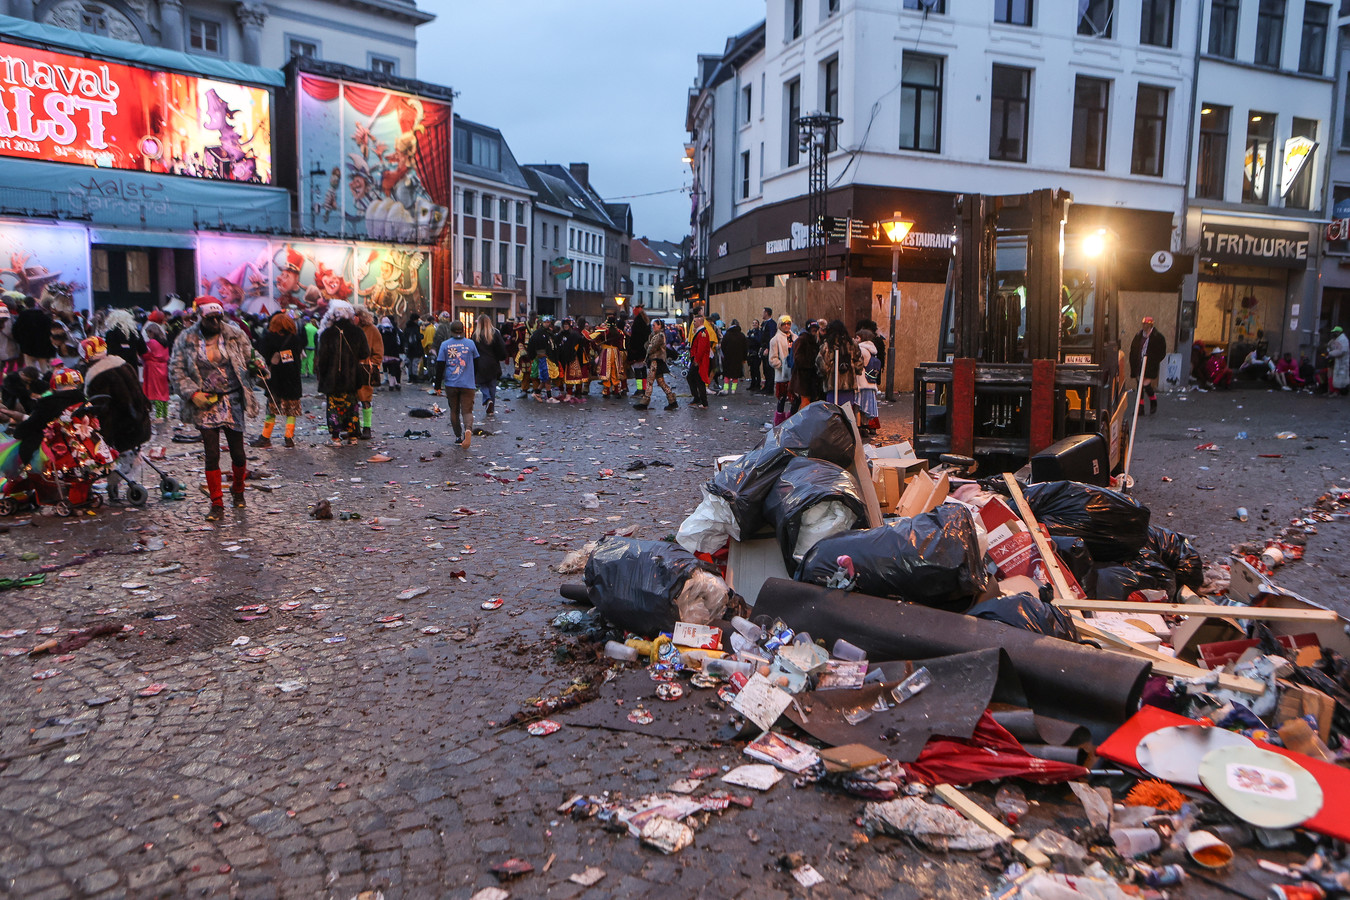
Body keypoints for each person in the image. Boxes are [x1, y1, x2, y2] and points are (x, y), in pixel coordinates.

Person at [169, 297, 268, 520]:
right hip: (206, 402)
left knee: (238, 454)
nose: (215, 322)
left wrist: (257, 365)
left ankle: (239, 490)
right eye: (209, 318)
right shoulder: (186, 338)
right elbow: (177, 370)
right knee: (212, 454)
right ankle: (216, 503)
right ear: (200, 317)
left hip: (232, 400)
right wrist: (192, 393)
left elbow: (252, 356)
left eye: (218, 317)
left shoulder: (235, 334)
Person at [80, 336, 151, 504]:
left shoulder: (97, 376)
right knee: (130, 450)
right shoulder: (123, 365)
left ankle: (113, 483)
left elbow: (102, 407)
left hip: (120, 429)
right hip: (140, 422)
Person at [315, 300, 369, 446]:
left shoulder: (327, 333)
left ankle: (336, 437)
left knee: (333, 407)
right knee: (352, 406)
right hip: (351, 377)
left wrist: (322, 375)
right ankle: (353, 436)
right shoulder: (358, 332)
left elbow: (322, 358)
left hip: (331, 378)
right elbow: (365, 353)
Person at [253, 311, 307, 448]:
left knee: (272, 409)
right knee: (292, 409)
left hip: (275, 378)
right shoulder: (295, 339)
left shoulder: (269, 338)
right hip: (292, 378)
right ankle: (289, 438)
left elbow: (262, 354)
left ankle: (265, 437)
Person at [434, 319, 479, 448]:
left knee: (454, 410)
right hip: (468, 383)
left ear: (451, 331)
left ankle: (458, 436)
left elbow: (440, 366)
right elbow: (477, 362)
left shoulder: (445, 345)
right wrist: (473, 377)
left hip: (451, 384)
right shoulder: (470, 344)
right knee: (467, 411)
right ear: (463, 330)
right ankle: (468, 429)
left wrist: (437, 385)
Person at [634, 318, 679, 411]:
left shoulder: (659, 336)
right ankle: (672, 401)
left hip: (656, 361)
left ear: (659, 326)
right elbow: (647, 345)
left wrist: (649, 346)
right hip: (656, 361)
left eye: (654, 325)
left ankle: (644, 402)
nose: (653, 327)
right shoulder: (654, 335)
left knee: (650, 381)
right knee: (661, 382)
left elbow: (651, 347)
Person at [817, 319, 863, 407]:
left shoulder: (828, 345)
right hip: (849, 386)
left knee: (833, 413)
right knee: (848, 413)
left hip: (832, 386)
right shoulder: (852, 344)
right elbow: (859, 363)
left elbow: (822, 366)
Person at [1128, 315, 1167, 415]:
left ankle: (1153, 401)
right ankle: (1140, 408)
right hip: (1138, 363)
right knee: (1139, 386)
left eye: (1146, 324)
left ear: (1150, 325)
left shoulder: (1157, 337)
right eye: (1143, 324)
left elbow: (1161, 352)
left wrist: (1154, 361)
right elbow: (1133, 349)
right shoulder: (1139, 335)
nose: (1144, 326)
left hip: (1150, 365)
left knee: (1145, 384)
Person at [354, 306, 383, 438]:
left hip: (365, 369)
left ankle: (367, 427)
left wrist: (373, 364)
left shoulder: (372, 330)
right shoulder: (349, 329)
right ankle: (354, 427)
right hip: (350, 369)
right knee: (352, 399)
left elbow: (378, 351)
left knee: (365, 398)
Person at [472, 314, 507, 416]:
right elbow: (501, 348)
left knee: (482, 384)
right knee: (492, 385)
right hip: (492, 362)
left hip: (480, 363)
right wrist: (502, 357)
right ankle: (491, 406)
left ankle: (487, 399)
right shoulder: (495, 333)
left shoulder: (476, 335)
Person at [141, 322, 171, 424]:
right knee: (163, 391)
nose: (148, 336)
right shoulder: (164, 342)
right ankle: (165, 414)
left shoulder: (152, 343)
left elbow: (145, 354)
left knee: (156, 392)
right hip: (163, 368)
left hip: (153, 369)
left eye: (148, 333)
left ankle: (158, 416)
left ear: (152, 332)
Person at [789, 320, 822, 412]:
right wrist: (812, 363)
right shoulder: (802, 340)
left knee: (803, 402)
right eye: (813, 329)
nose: (815, 331)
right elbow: (798, 359)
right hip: (803, 378)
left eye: (816, 329)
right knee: (804, 403)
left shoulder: (814, 340)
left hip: (808, 378)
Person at [101, 309, 146, 375]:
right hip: (132, 366)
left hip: (115, 366)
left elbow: (109, 351)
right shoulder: (135, 333)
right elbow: (143, 350)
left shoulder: (110, 333)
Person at [555, 318, 590, 404]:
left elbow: (580, 347)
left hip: (573, 359)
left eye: (567, 324)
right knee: (562, 377)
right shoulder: (559, 335)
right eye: (564, 325)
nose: (566, 326)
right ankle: (565, 392)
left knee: (574, 377)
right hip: (562, 359)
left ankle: (576, 392)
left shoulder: (575, 335)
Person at [769, 315, 795, 424]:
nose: (787, 326)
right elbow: (772, 359)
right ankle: (779, 420)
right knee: (782, 399)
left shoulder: (795, 338)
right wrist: (783, 365)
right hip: (782, 375)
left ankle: (792, 419)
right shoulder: (775, 340)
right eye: (784, 324)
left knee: (795, 399)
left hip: (794, 374)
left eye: (788, 324)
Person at [855, 328, 881, 435]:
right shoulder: (872, 350)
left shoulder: (861, 349)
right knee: (867, 406)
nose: (855, 339)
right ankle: (866, 426)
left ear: (861, 338)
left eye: (857, 337)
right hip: (871, 383)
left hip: (861, 382)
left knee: (858, 406)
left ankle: (859, 427)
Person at [686, 314, 712, 408]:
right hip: (697, 359)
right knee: (697, 379)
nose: (694, 323)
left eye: (695, 321)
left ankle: (701, 400)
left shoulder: (702, 333)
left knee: (696, 379)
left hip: (699, 361)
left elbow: (701, 348)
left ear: (700, 321)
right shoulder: (700, 332)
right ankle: (700, 399)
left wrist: (696, 360)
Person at [597, 317, 627, 398]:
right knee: (615, 370)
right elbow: (621, 344)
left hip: (606, 351)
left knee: (606, 370)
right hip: (616, 352)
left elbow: (596, 339)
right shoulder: (619, 332)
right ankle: (616, 389)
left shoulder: (604, 331)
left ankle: (606, 390)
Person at [627, 304, 651, 395]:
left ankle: (639, 388)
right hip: (644, 349)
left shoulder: (637, 322)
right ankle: (644, 388)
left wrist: (632, 348)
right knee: (643, 370)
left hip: (637, 350)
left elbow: (635, 337)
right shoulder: (646, 321)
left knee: (637, 371)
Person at [720, 320, 747, 394]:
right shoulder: (741, 335)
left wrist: (725, 354)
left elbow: (723, 346)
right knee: (736, 374)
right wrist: (744, 358)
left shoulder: (727, 335)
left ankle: (726, 388)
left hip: (728, 357)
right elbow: (745, 348)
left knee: (727, 373)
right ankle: (733, 389)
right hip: (738, 357)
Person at [378, 316, 403, 390]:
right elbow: (399, 341)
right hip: (394, 353)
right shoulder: (394, 330)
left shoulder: (380, 330)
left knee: (388, 368)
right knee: (394, 368)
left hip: (384, 353)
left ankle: (392, 383)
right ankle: (393, 384)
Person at [403, 314, 425, 383]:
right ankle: (414, 377)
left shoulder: (407, 328)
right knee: (415, 363)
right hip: (416, 348)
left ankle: (410, 377)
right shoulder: (416, 328)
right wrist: (421, 336)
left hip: (409, 349)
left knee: (410, 363)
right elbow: (418, 337)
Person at [1328, 326, 1350, 396]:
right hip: (1336, 361)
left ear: (1339, 332)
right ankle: (1332, 390)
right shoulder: (1337, 339)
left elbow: (1341, 351)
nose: (1334, 333)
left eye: (1335, 332)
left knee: (1339, 377)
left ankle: (1337, 391)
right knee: (1332, 375)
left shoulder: (1343, 340)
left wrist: (1330, 353)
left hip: (1341, 362)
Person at [746, 318, 764, 393]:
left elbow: (759, 340)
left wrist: (753, 336)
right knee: (752, 370)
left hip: (756, 353)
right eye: (753, 323)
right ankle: (753, 383)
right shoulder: (751, 332)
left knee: (756, 369)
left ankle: (757, 383)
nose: (754, 324)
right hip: (751, 353)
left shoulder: (758, 333)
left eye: (755, 323)